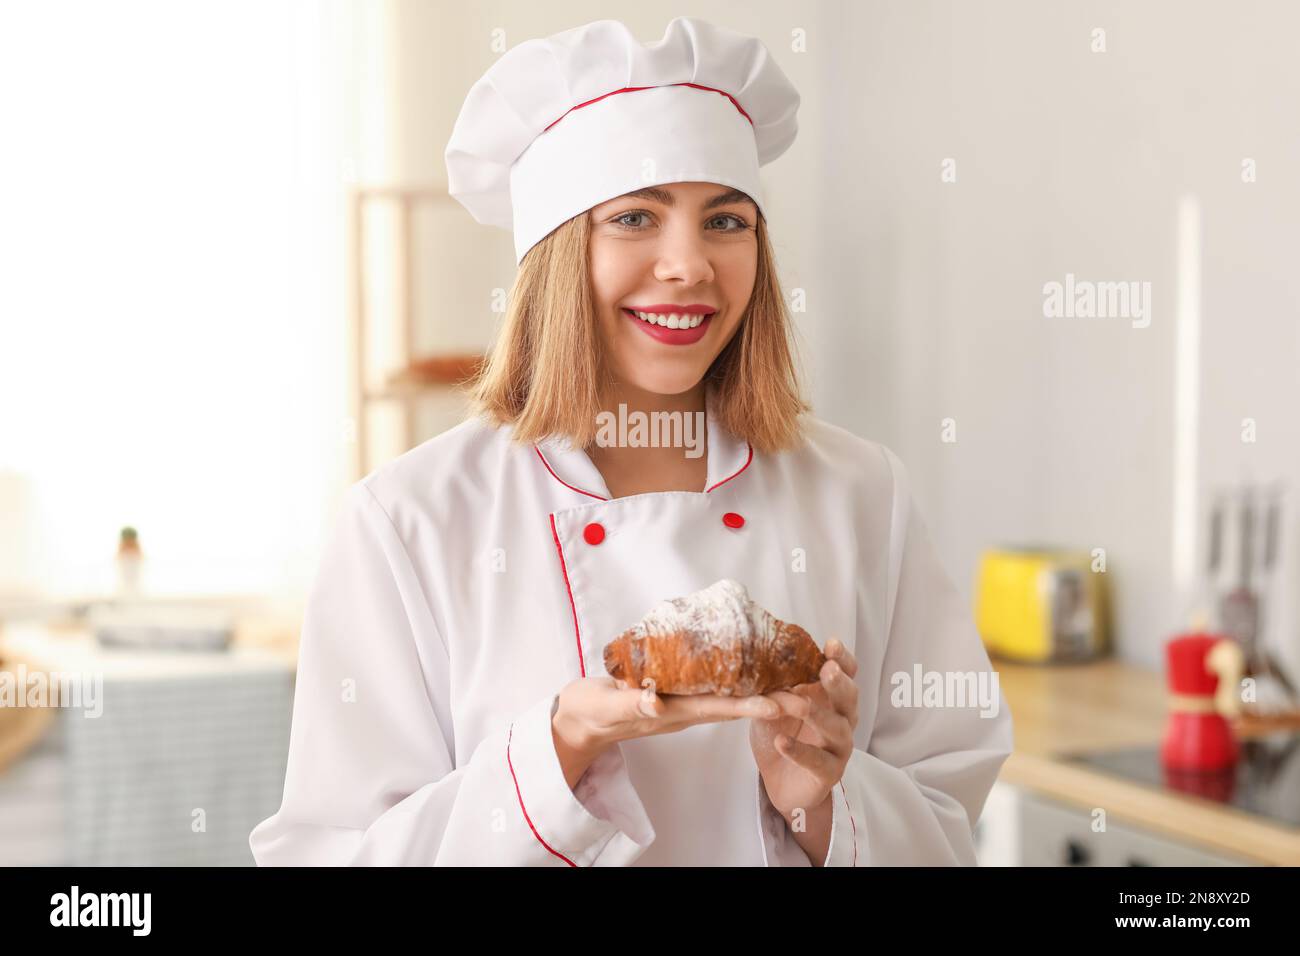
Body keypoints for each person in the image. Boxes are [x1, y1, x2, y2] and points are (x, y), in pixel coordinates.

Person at [249, 16, 1013, 867]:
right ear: (556, 256)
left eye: (726, 222)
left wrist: (822, 806)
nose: (688, 264)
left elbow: (950, 822)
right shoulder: (409, 522)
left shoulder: (861, 492)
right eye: (635, 218)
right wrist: (557, 753)